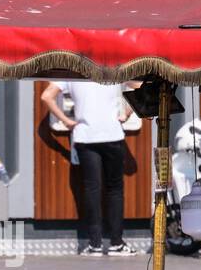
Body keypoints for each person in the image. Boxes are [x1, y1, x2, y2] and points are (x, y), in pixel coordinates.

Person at [42, 80, 138, 256]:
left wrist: (66, 121)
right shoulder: (114, 67)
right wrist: (127, 113)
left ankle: (95, 244)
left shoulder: (74, 70)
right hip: (112, 134)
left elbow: (46, 96)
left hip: (85, 136)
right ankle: (117, 243)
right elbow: (141, 86)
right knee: (115, 189)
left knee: (91, 189)